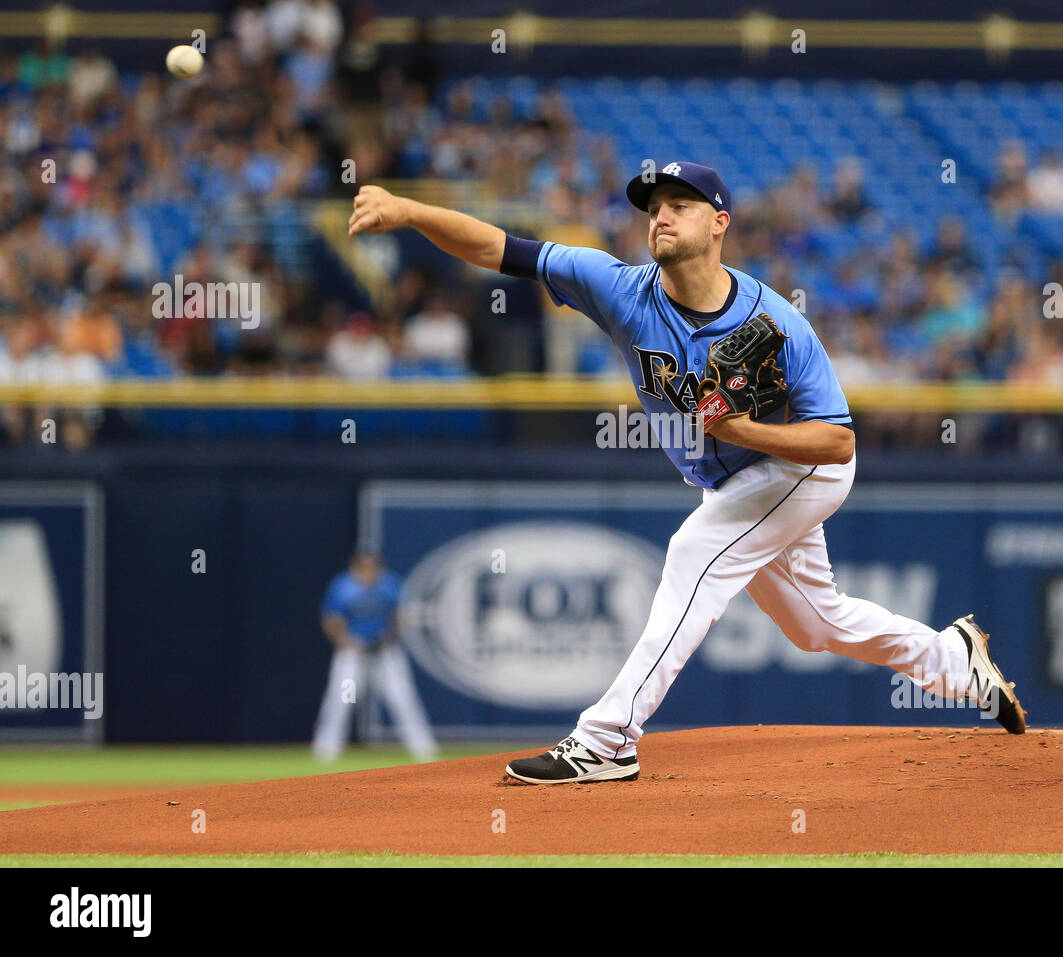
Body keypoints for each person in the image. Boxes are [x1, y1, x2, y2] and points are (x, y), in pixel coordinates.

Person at [348, 161, 1027, 786]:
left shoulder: (776, 321)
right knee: (817, 625)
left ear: (719, 222)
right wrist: (409, 210)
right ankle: (953, 661)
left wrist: (742, 429)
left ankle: (608, 738)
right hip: (733, 480)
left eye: (680, 204)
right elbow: (500, 248)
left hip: (799, 467)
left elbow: (840, 443)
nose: (661, 216)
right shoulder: (618, 289)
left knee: (693, 552)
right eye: (653, 208)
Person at [312, 551, 438, 762]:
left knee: (402, 699)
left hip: (385, 652)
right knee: (339, 701)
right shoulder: (343, 586)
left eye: (372, 565)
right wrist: (344, 641)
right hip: (353, 651)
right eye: (363, 565)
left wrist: (390, 637)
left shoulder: (389, 584)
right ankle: (325, 751)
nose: (368, 570)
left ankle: (424, 751)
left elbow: (402, 615)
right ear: (355, 566)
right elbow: (331, 618)